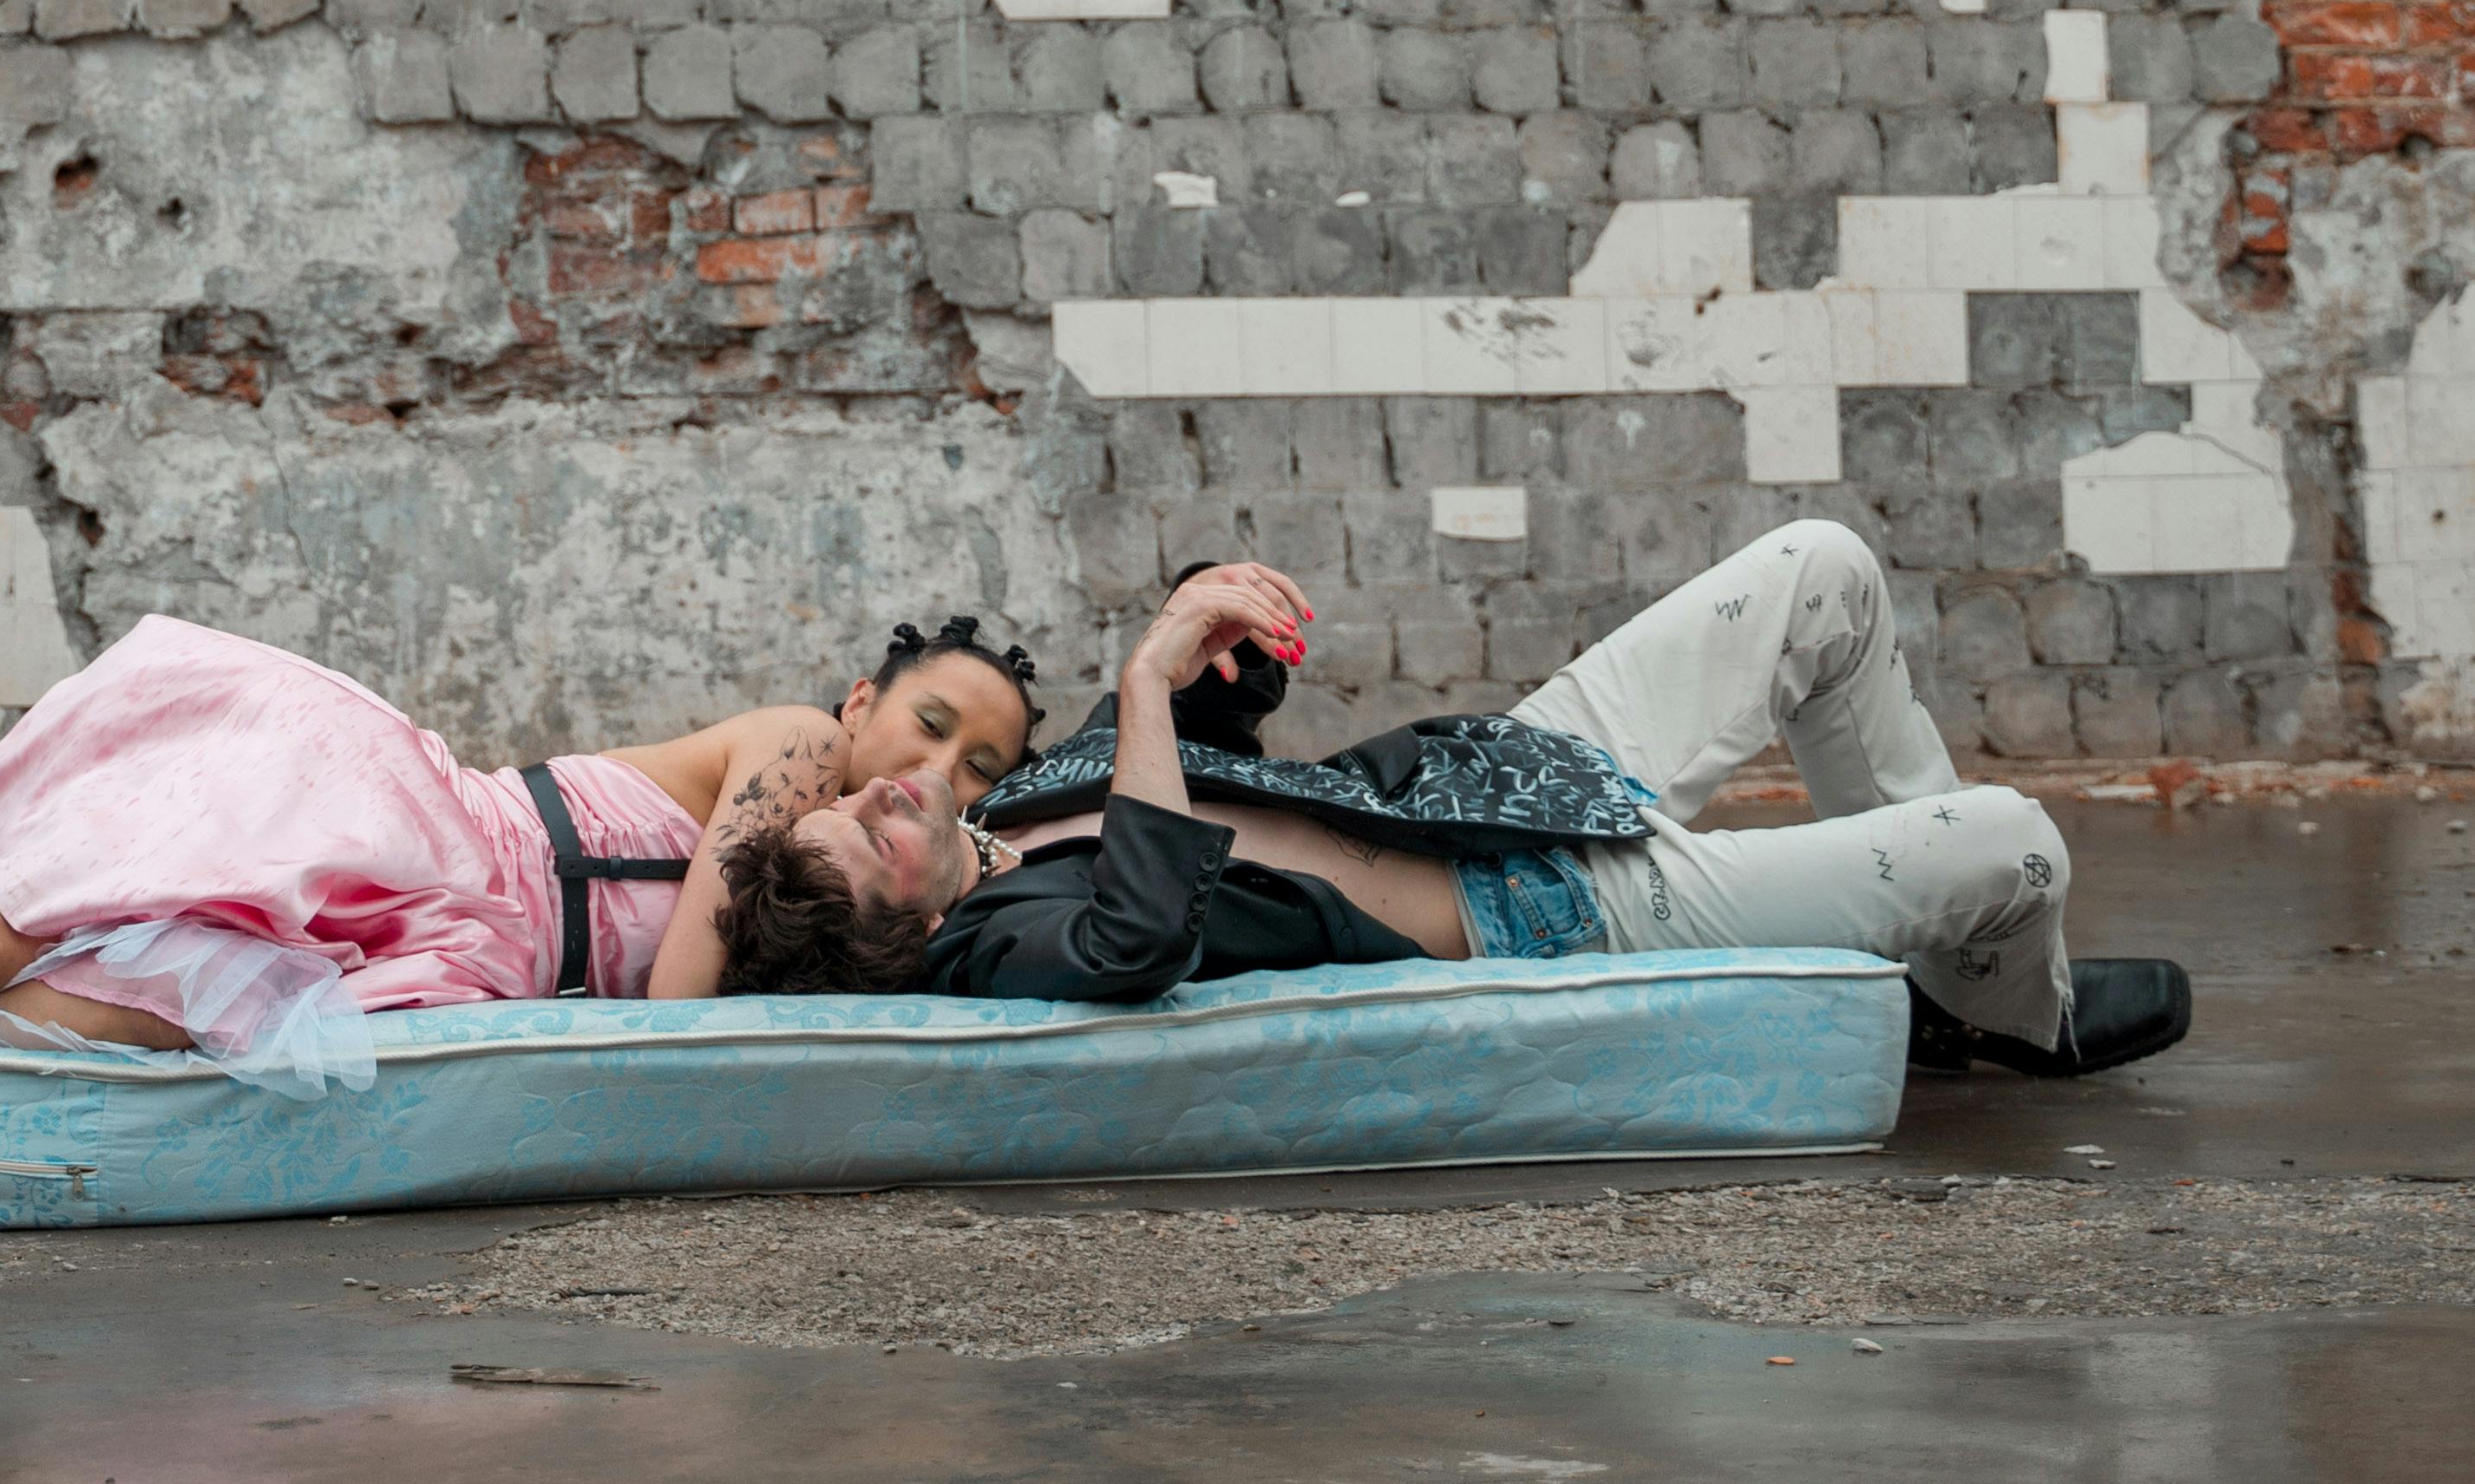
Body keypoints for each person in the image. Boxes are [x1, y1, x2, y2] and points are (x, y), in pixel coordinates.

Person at [0, 605, 1036, 1252]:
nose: (931, 769)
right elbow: (676, 1010)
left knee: (47, 998)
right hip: (407, 835)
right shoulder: (792, 751)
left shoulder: (859, 889)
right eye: (929, 722)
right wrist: (932, 874)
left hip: (415, 965)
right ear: (860, 695)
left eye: (975, 771)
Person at [717, 526, 2196, 1083]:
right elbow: (1139, 933)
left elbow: (1195, 743)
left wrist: (1209, 647)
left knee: (1822, 571)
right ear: (891, 935)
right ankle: (2020, 1017)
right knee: (2015, 840)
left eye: (859, 805)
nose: (894, 796)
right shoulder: (1000, 948)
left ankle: (1943, 994)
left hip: (1496, 774)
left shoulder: (1009, 808)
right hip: (1560, 906)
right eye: (871, 835)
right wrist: (1150, 688)